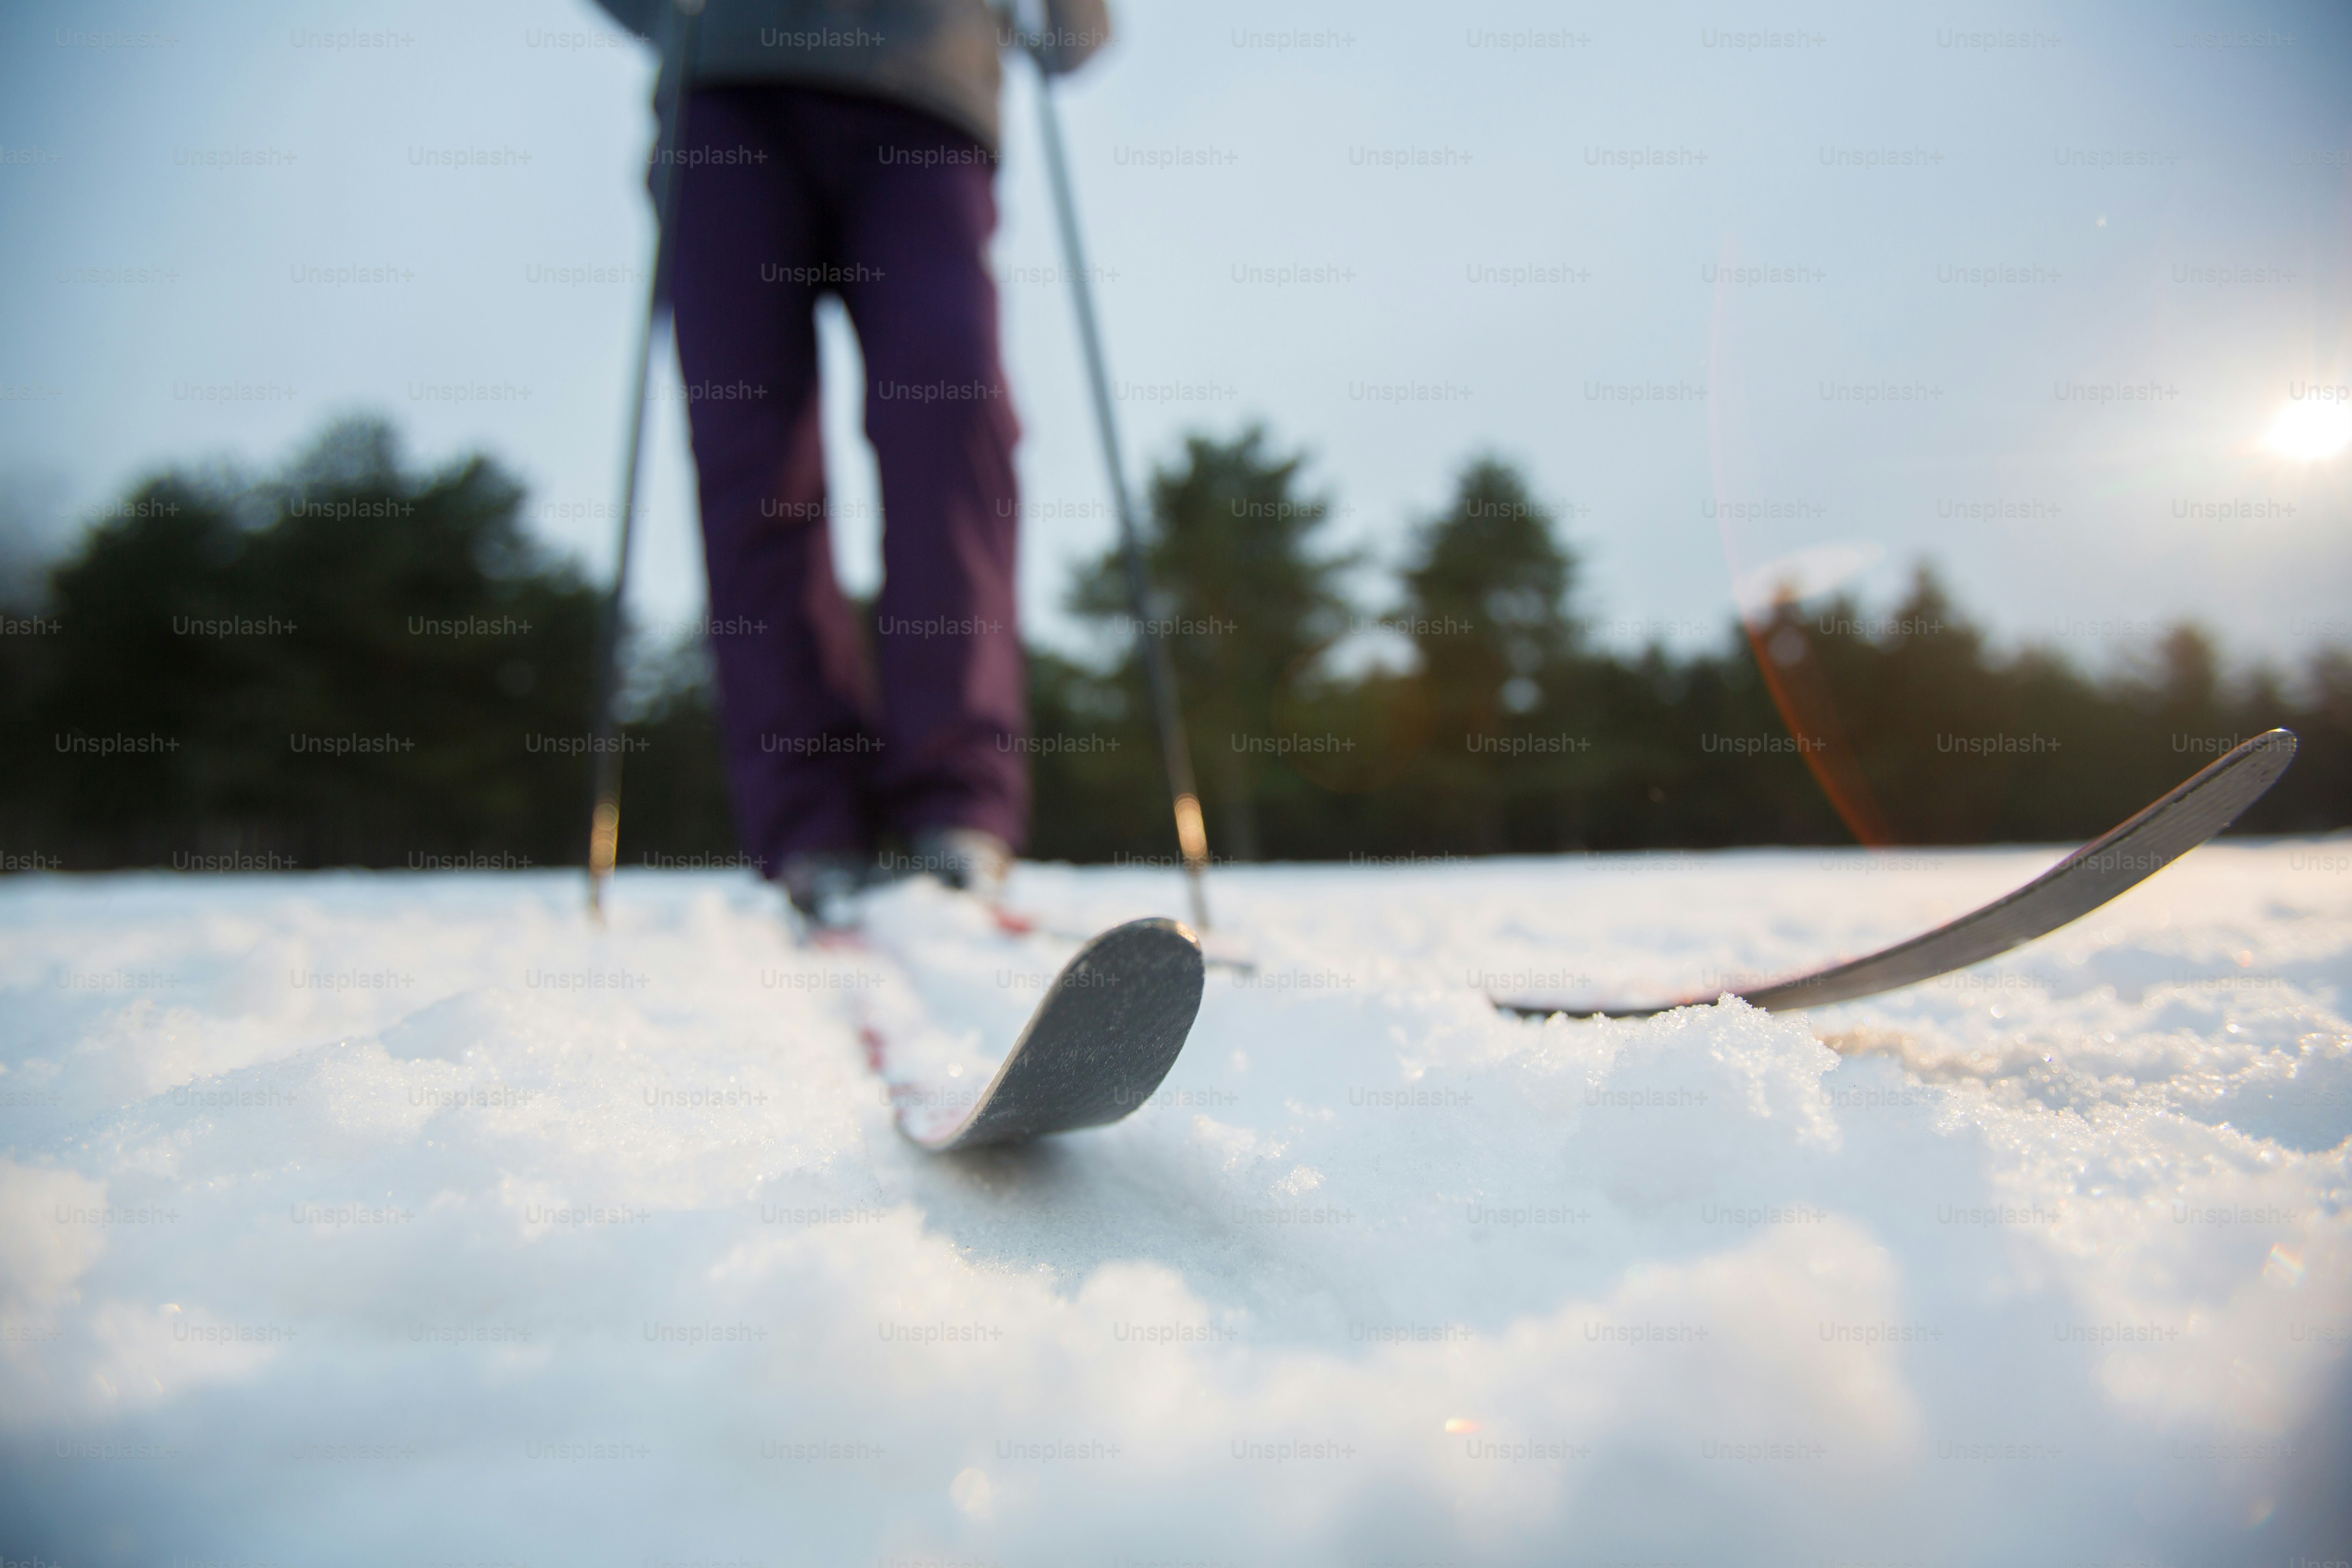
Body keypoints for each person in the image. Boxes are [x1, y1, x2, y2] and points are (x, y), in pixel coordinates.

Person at [589, 0, 1111, 924]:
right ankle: (810, 824)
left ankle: (957, 808)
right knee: (753, 454)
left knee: (951, 421)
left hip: (928, 94)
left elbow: (1078, 37)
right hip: (729, 84)